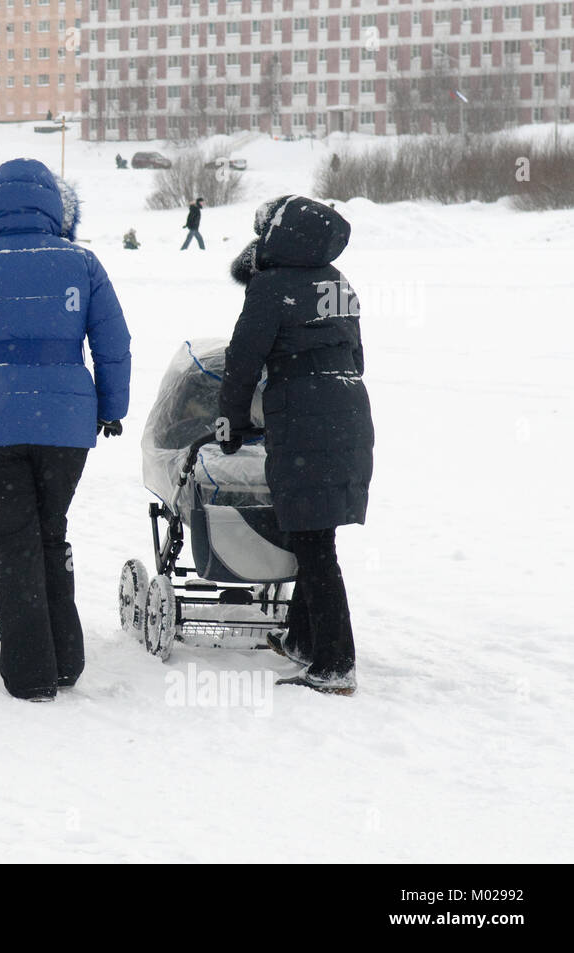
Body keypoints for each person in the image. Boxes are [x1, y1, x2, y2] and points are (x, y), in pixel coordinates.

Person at [0, 159, 131, 702]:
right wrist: (111, 409)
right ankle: (67, 660)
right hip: (67, 423)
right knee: (51, 532)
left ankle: (30, 672)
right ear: (57, 208)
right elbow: (113, 344)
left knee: (14, 541)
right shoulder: (83, 262)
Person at [218, 195, 373, 696]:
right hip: (348, 409)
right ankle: (304, 640)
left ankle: (335, 663)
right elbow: (356, 354)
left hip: (304, 413)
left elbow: (242, 361)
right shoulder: (338, 282)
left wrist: (231, 422)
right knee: (316, 532)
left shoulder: (270, 286)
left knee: (314, 542)